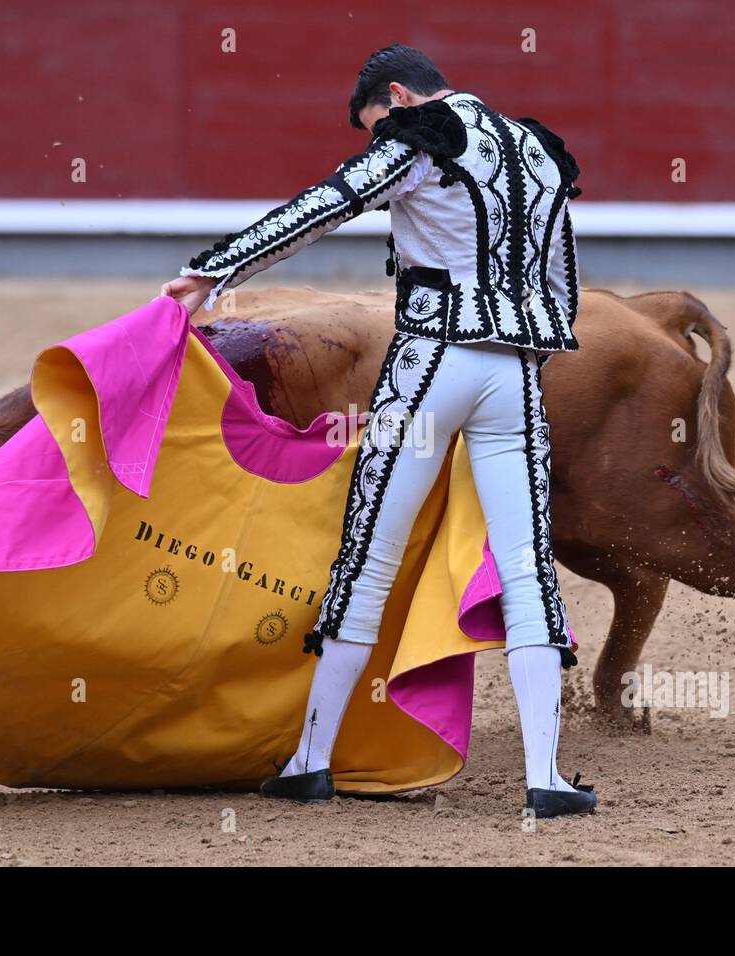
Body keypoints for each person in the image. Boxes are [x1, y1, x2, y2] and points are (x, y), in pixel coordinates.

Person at [162, 44, 594, 818]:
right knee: (528, 570)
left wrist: (215, 270)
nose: (377, 138)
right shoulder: (537, 147)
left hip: (431, 364)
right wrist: (526, 342)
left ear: (398, 96)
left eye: (376, 124)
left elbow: (329, 203)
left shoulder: (420, 135)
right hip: (515, 377)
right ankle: (547, 779)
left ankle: (311, 760)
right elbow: (559, 277)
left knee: (369, 556)